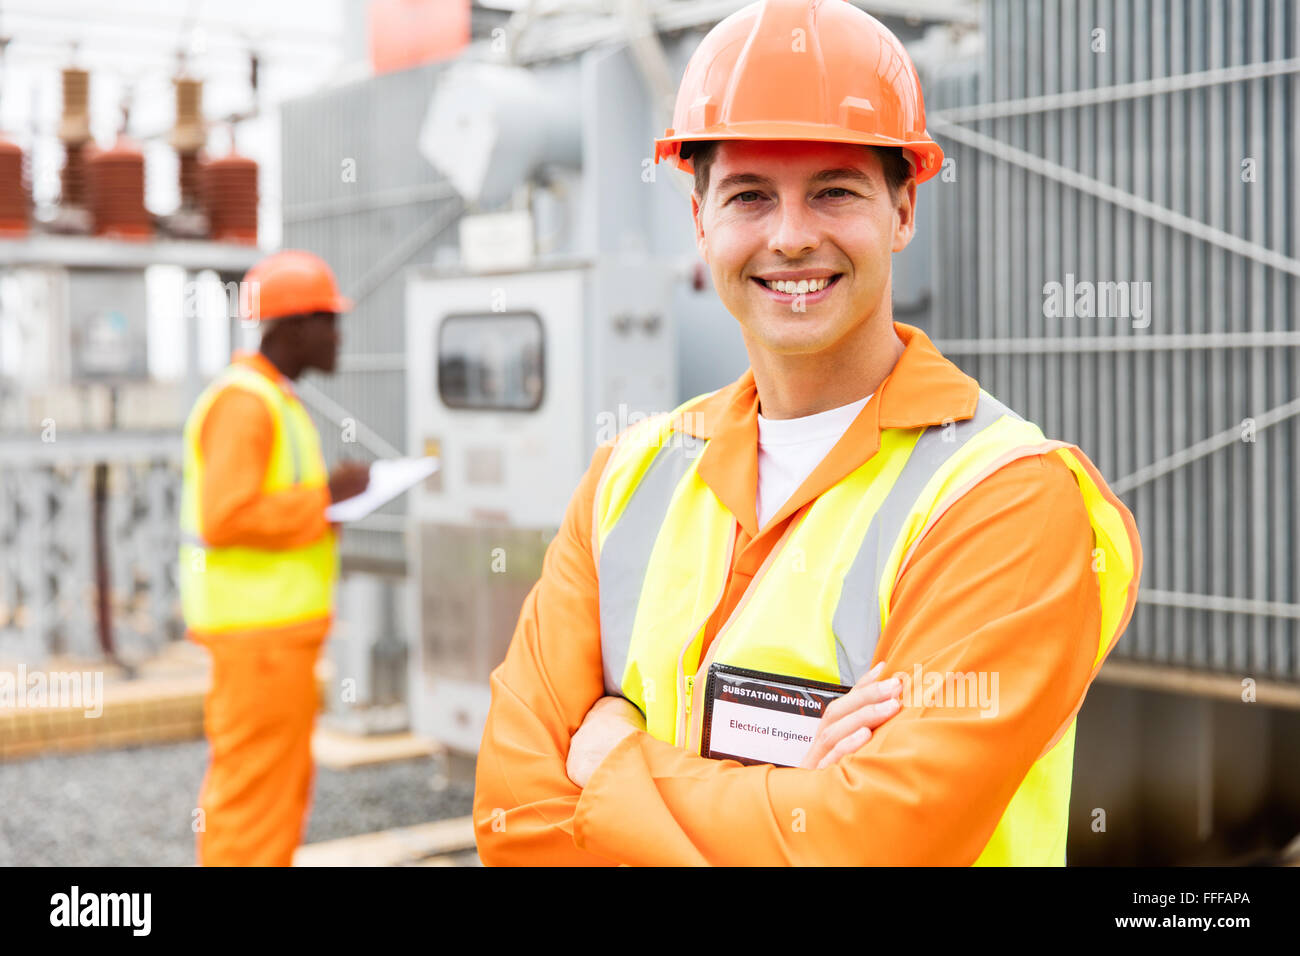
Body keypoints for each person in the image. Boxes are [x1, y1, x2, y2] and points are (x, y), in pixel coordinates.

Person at [473, 0, 1142, 865]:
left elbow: (874, 848)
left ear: (903, 212)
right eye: (750, 196)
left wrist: (612, 762)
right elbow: (513, 817)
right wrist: (798, 800)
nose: (791, 236)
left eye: (834, 191)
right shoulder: (628, 478)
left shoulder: (1003, 498)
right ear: (700, 223)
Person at [179, 249, 370, 866]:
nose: (340, 334)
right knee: (252, 798)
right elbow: (226, 516)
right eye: (329, 320)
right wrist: (326, 499)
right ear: (292, 327)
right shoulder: (246, 403)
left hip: (275, 638)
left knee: (277, 794)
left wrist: (329, 504)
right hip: (257, 639)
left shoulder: (273, 399)